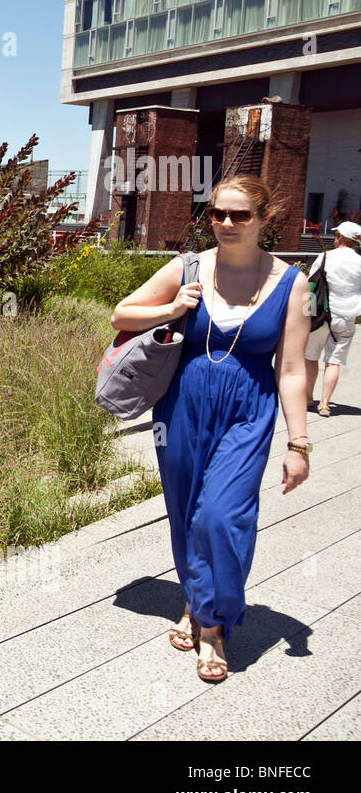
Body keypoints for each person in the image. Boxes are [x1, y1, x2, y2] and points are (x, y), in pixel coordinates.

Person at [109, 175, 311, 684]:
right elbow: (122, 313)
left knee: (221, 516)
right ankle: (196, 601)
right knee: (185, 512)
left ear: (265, 219)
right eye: (217, 213)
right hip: (182, 407)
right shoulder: (189, 267)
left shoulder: (292, 283)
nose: (225, 223)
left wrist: (299, 442)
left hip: (248, 410)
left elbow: (290, 369)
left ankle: (214, 626)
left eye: (239, 215)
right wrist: (174, 307)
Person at [304, 221, 361, 416]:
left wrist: (305, 315)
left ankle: (308, 399)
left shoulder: (325, 257)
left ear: (341, 237)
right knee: (333, 361)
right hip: (346, 317)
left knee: (311, 357)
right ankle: (325, 404)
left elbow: (309, 287)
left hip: (321, 316)